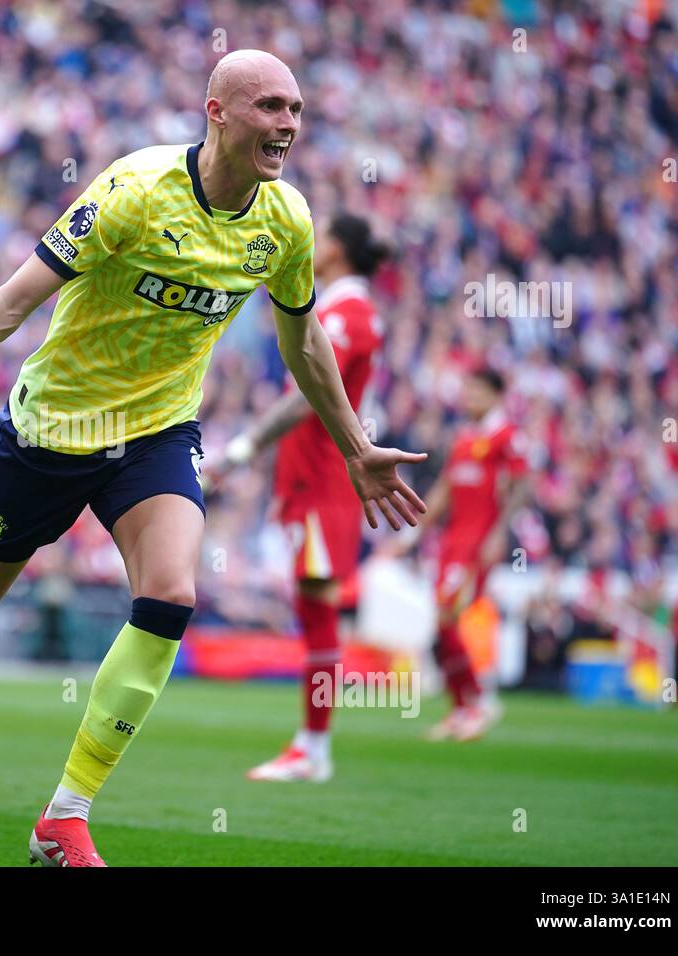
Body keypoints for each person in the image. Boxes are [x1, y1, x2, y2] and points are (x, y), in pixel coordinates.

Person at [0, 50, 428, 866]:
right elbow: (12, 302)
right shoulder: (134, 190)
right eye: (271, 107)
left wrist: (356, 446)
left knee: (171, 593)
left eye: (297, 109)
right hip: (54, 428)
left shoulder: (286, 220)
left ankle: (64, 817)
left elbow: (303, 339)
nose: (288, 125)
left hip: (156, 433)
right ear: (217, 112)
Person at [204, 213, 389, 783]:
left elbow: (310, 396)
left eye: (321, 236)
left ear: (338, 249)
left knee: (318, 607)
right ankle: (313, 744)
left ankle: (314, 746)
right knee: (313, 607)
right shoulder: (335, 307)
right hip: (308, 477)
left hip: (323, 480)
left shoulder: (347, 313)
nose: (311, 244)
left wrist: (241, 450)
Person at [386, 366, 528, 740]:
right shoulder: (464, 437)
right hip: (452, 542)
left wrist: (500, 533)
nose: (470, 398)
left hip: (478, 543)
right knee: (441, 621)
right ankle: (461, 706)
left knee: (448, 615)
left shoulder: (507, 436)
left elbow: (521, 484)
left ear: (496, 395)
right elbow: (445, 489)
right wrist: (412, 534)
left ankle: (479, 701)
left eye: (478, 391)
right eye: (467, 390)